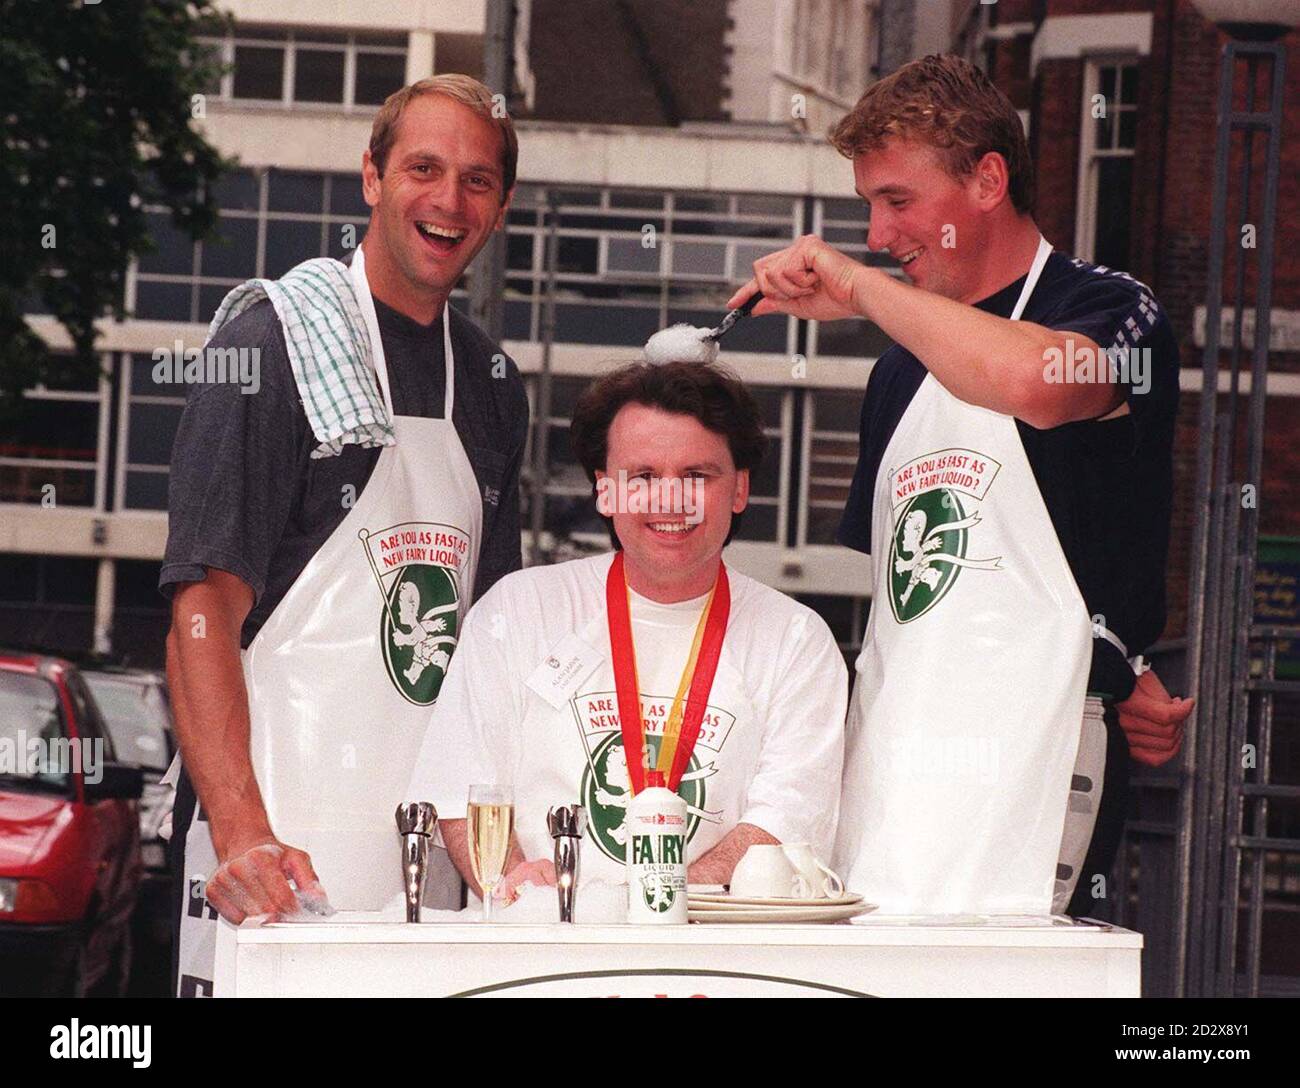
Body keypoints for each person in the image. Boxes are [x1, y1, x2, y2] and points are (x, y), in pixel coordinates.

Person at [728, 55, 1191, 916]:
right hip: (896, 770)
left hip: (1045, 757)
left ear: (988, 179)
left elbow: (1038, 384)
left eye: (898, 201)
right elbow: (911, 604)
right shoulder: (897, 373)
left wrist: (861, 292)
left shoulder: (1115, 309)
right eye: (868, 205)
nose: (875, 233)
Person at [160, 75, 528, 996]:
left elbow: (492, 647)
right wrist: (242, 830)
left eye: (477, 181)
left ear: (501, 205)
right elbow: (203, 607)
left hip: (430, 864)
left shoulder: (489, 381)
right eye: (423, 168)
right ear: (370, 176)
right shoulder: (274, 343)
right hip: (273, 848)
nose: (448, 202)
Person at [405, 361, 846, 904]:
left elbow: (784, 820)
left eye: (697, 476)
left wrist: (658, 906)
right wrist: (514, 884)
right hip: (543, 951)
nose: (669, 501)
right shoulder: (518, 611)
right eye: (643, 478)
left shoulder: (797, 641)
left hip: (713, 957)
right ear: (605, 492)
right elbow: (462, 790)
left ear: (739, 491)